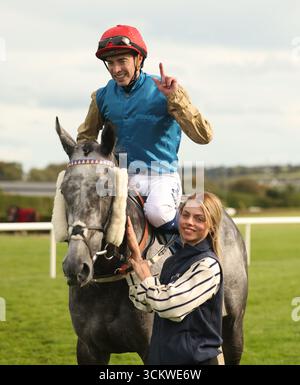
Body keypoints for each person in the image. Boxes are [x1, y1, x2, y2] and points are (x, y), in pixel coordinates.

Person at [77, 24, 213, 234]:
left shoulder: (168, 89)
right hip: (121, 176)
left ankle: (194, 249)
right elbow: (85, 139)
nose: (115, 69)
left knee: (157, 213)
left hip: (162, 175)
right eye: (110, 63)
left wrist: (174, 99)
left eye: (122, 61)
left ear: (139, 59)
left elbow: (204, 136)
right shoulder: (102, 96)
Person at [126, 192, 224, 365]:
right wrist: (135, 264)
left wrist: (147, 277)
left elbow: (171, 307)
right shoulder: (172, 261)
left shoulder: (208, 266)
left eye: (199, 218)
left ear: (212, 226)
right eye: (185, 215)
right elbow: (145, 303)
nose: (189, 222)